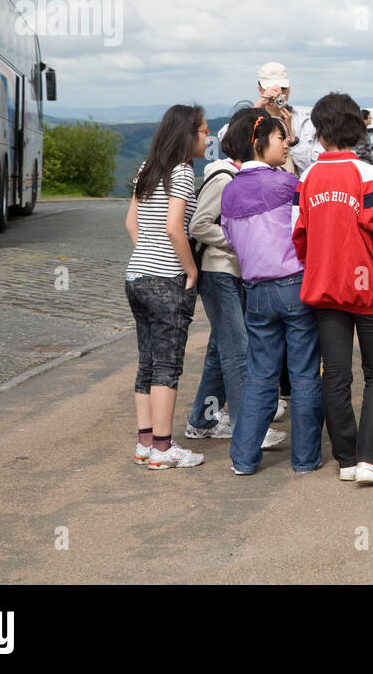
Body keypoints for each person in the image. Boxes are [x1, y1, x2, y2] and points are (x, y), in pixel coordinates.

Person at [294, 92, 373, 484]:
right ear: (357, 129)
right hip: (370, 285)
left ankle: (346, 458)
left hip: (325, 285)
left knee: (336, 374)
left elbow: (299, 236)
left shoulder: (306, 179)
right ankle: (371, 458)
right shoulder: (372, 176)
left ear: (320, 133)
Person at [220, 113, 322, 475]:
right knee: (305, 373)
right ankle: (305, 459)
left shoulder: (229, 189)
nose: (286, 143)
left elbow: (231, 242)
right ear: (259, 141)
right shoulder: (287, 184)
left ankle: (245, 459)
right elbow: (308, 232)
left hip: (255, 291)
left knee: (260, 376)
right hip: (295, 285)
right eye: (280, 137)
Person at [183, 108, 286, 452]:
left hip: (234, 274)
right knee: (238, 351)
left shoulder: (243, 176)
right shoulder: (225, 177)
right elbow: (199, 224)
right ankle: (248, 428)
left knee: (220, 350)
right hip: (219, 274)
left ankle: (202, 420)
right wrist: (241, 241)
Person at [125, 104, 210, 470]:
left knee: (147, 363)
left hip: (136, 277)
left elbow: (131, 222)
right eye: (205, 131)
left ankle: (146, 443)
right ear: (189, 134)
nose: (209, 137)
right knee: (168, 366)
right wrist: (190, 271)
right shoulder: (183, 173)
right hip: (167, 280)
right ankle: (163, 448)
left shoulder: (148, 169)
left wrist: (147, 255)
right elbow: (176, 227)